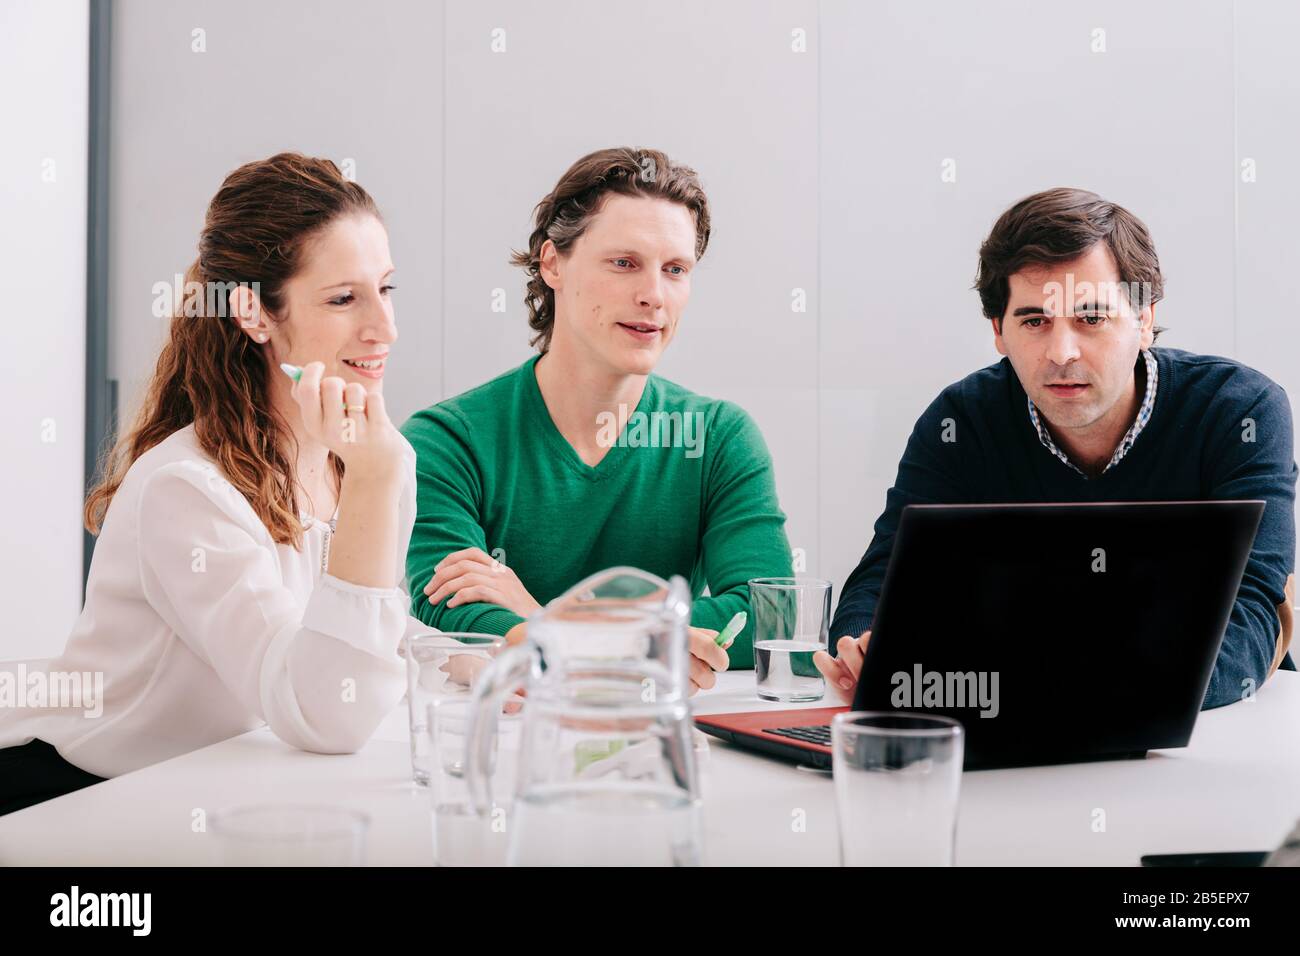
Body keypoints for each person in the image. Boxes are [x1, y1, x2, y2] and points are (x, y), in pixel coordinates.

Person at [0, 153, 417, 816]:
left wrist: (468, 662)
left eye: (386, 289)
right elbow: (327, 712)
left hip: (222, 785)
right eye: (344, 298)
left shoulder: (356, 457)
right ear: (254, 315)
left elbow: (359, 646)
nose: (384, 328)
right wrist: (377, 479)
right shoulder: (187, 487)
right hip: (80, 794)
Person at [815, 187, 1296, 709]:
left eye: (1091, 318)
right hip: (1012, 726)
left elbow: (1254, 610)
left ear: (1143, 320)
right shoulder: (963, 422)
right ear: (999, 331)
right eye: (1034, 321)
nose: (1061, 353)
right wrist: (864, 648)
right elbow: (886, 575)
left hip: (1211, 731)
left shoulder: (1238, 411)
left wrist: (1093, 685)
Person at [402, 147, 793, 694]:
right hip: (501, 745)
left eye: (675, 270)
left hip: (657, 746)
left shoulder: (721, 437)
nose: (653, 296)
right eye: (624, 263)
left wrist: (545, 617)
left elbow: (768, 615)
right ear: (552, 263)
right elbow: (453, 614)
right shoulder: (446, 442)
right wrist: (650, 636)